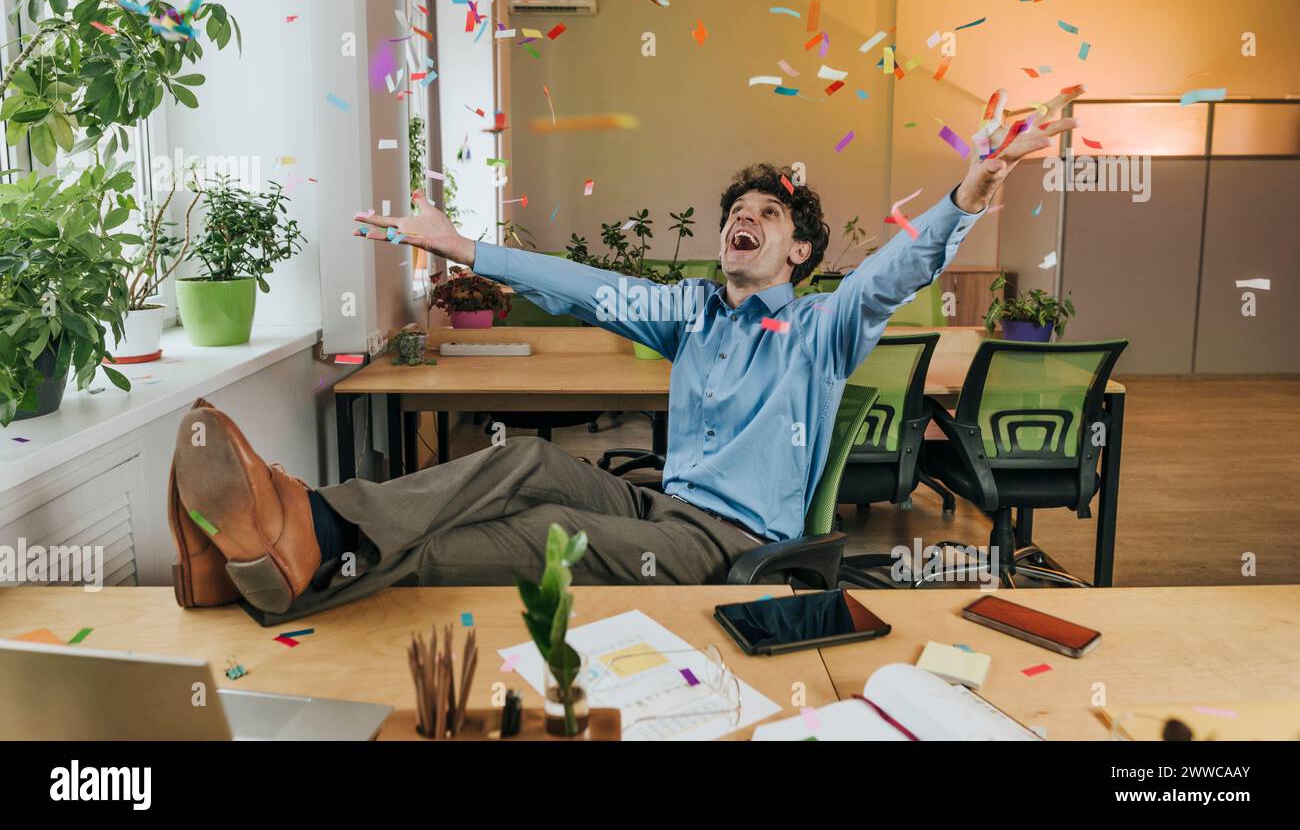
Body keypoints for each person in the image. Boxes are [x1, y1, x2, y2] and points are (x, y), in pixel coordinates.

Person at [168, 91, 1079, 622]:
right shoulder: (689, 313)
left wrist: (965, 195)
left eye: (769, 214)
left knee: (528, 539)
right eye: (739, 208)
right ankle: (309, 528)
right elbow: (580, 283)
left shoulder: (822, 329)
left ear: (800, 252)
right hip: (660, 506)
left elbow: (891, 273)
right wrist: (464, 248)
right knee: (523, 459)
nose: (745, 217)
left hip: (733, 545)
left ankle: (293, 568)